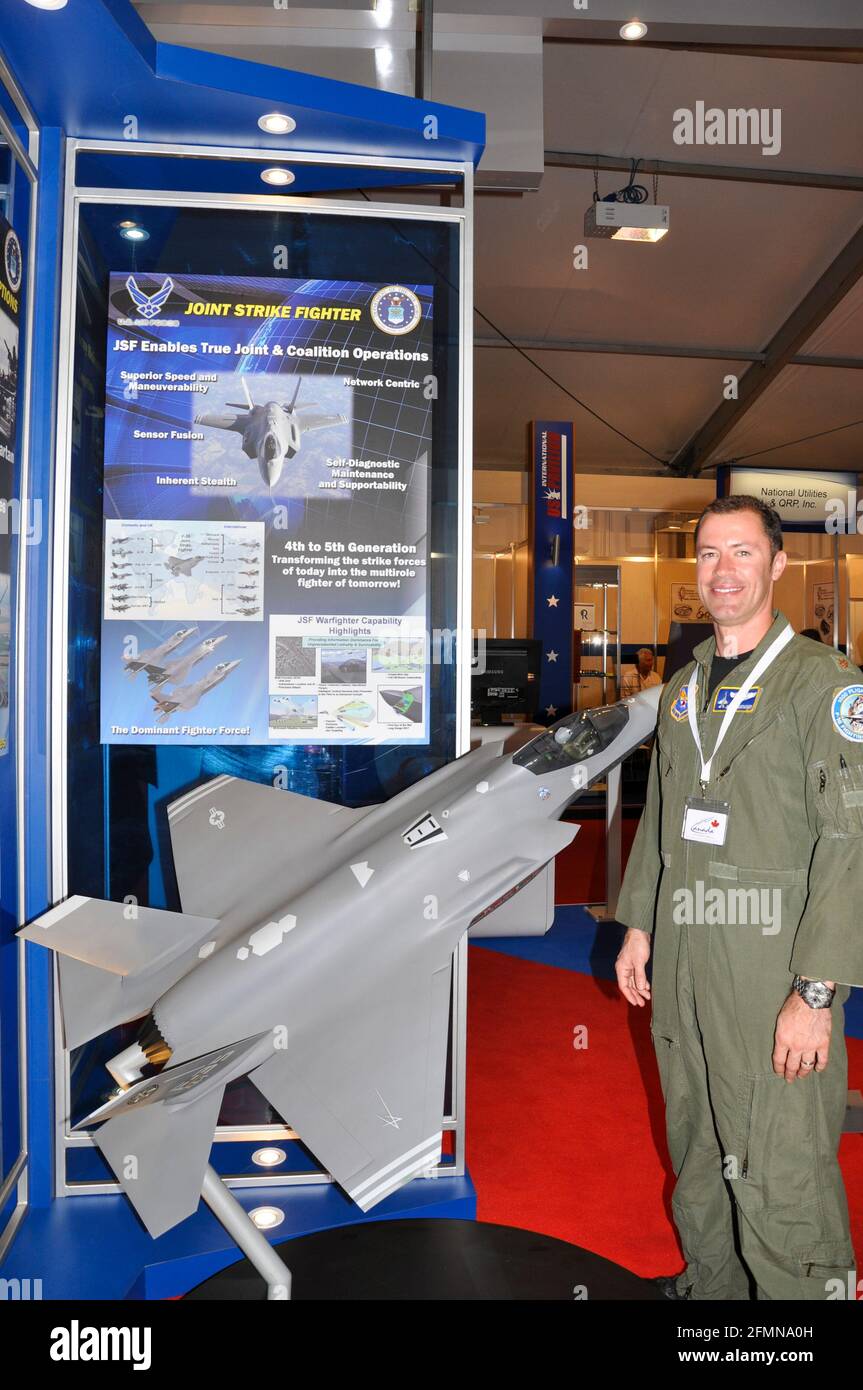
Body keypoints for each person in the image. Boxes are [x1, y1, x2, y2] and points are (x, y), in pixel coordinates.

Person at [614, 494, 863, 1301]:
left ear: (777, 565)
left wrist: (815, 993)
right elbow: (663, 812)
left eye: (742, 553)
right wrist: (640, 928)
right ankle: (713, 1295)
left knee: (777, 1154)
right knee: (696, 1135)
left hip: (771, 966)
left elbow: (850, 842)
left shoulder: (822, 686)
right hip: (686, 950)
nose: (722, 571)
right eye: (710, 554)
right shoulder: (684, 688)